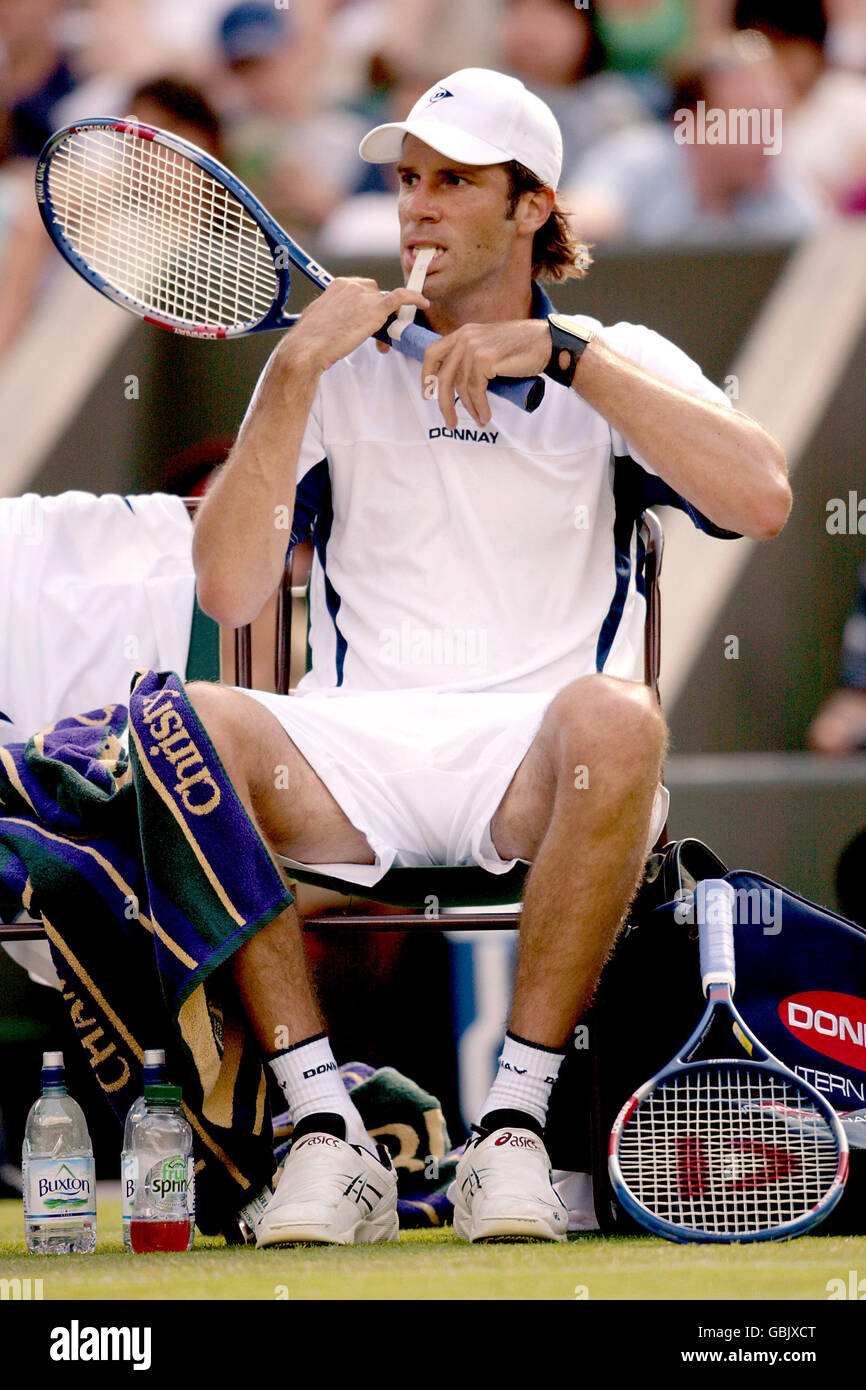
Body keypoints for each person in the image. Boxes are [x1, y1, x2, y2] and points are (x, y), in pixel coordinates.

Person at [190, 66, 791, 1246]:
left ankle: (510, 1128)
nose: (416, 207)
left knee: (619, 718)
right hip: (355, 755)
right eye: (407, 180)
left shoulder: (610, 352)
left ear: (531, 207)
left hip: (537, 769)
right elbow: (225, 587)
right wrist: (291, 372)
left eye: (454, 182)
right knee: (195, 719)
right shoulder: (329, 363)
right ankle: (322, 1133)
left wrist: (569, 361)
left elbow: (762, 495)